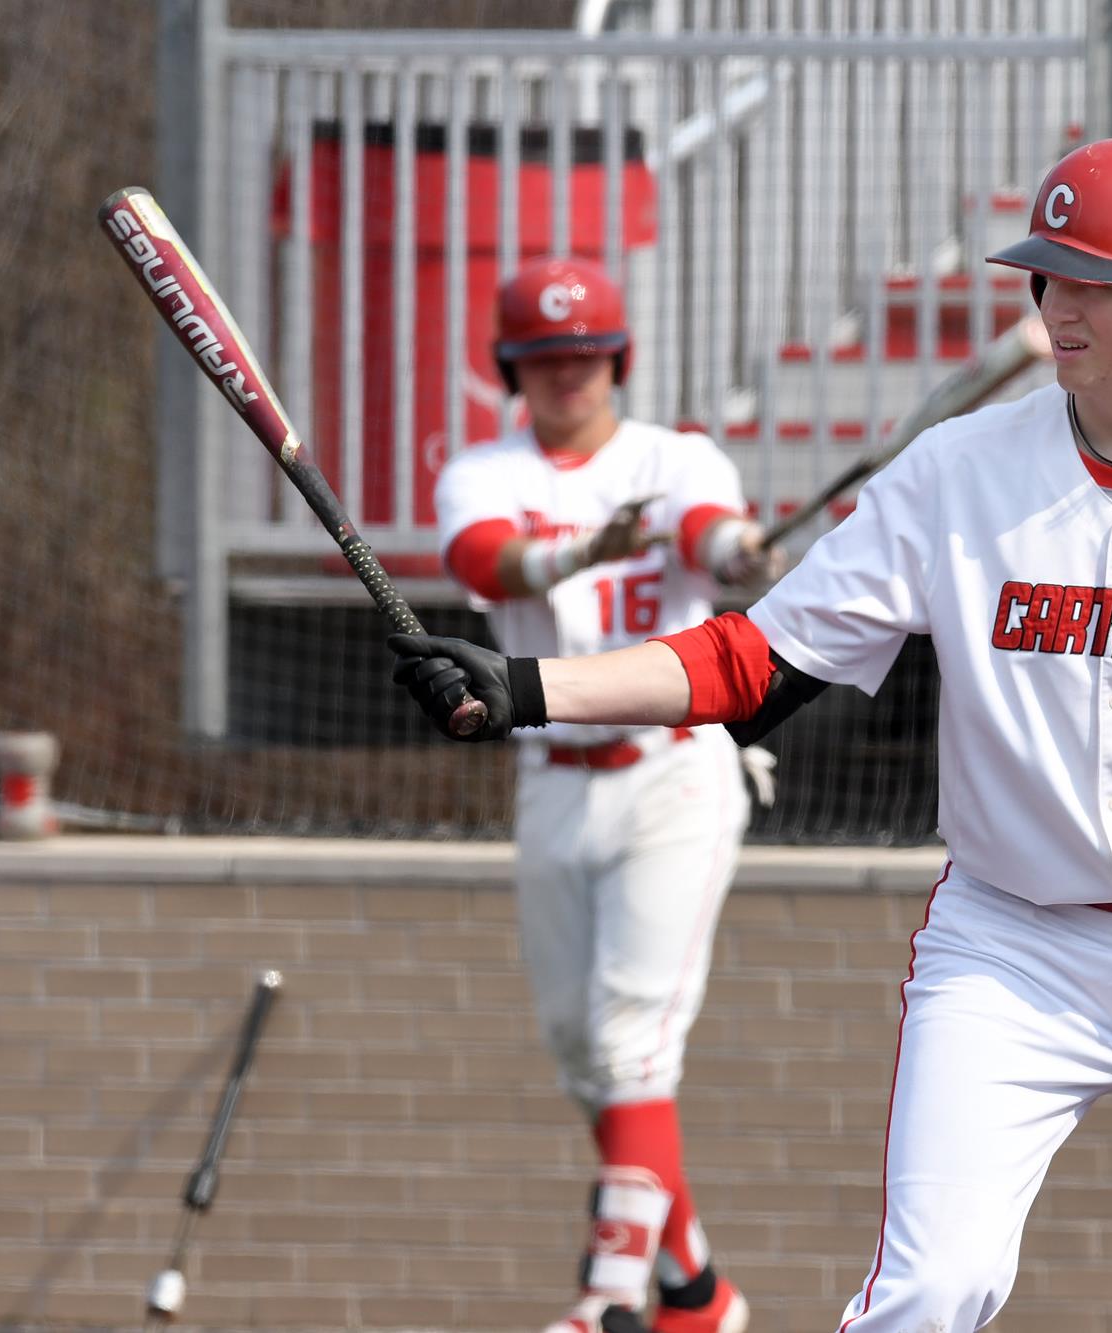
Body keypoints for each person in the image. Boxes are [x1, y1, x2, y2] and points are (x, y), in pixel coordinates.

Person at [396, 140, 1112, 1332]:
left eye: (1092, 280)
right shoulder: (958, 470)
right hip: (1011, 956)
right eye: (1045, 276)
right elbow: (752, 662)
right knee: (928, 1294)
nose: (1054, 304)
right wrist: (530, 687)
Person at [433, 256, 767, 1333]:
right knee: (585, 1055)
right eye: (543, 359)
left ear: (615, 358)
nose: (567, 376)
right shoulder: (481, 468)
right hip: (551, 775)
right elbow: (489, 566)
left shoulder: (673, 454)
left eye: (583, 356)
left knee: (631, 1039)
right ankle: (696, 1291)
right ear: (512, 369)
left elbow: (704, 527)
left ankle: (608, 1297)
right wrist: (583, 546)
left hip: (671, 771)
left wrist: (735, 546)